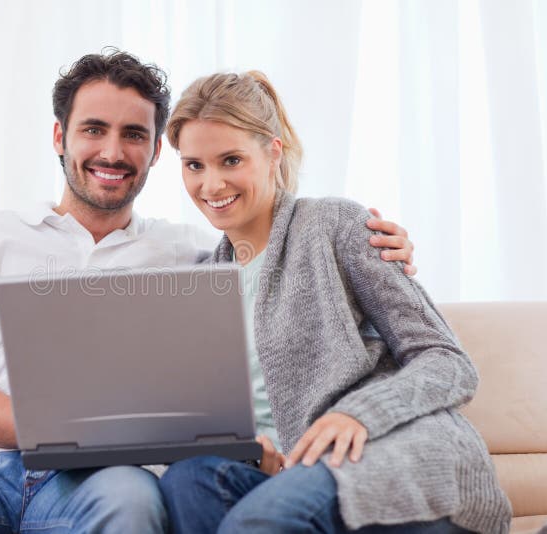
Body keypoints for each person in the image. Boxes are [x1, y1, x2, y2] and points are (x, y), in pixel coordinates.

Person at [0, 51, 414, 533]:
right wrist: (105, 431)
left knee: (132, 504)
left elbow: (272, 253)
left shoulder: (190, 255)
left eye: (134, 135)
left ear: (154, 155)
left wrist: (379, 249)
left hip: (95, 481)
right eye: (93, 130)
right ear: (61, 138)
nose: (112, 151)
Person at [158, 71, 512, 534]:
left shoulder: (335, 226)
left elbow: (448, 361)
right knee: (189, 481)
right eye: (194, 165)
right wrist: (250, 447)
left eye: (230, 160)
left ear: (272, 152)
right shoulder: (204, 281)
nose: (211, 183)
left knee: (261, 520)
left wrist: (357, 413)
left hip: (386, 450)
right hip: (287, 471)